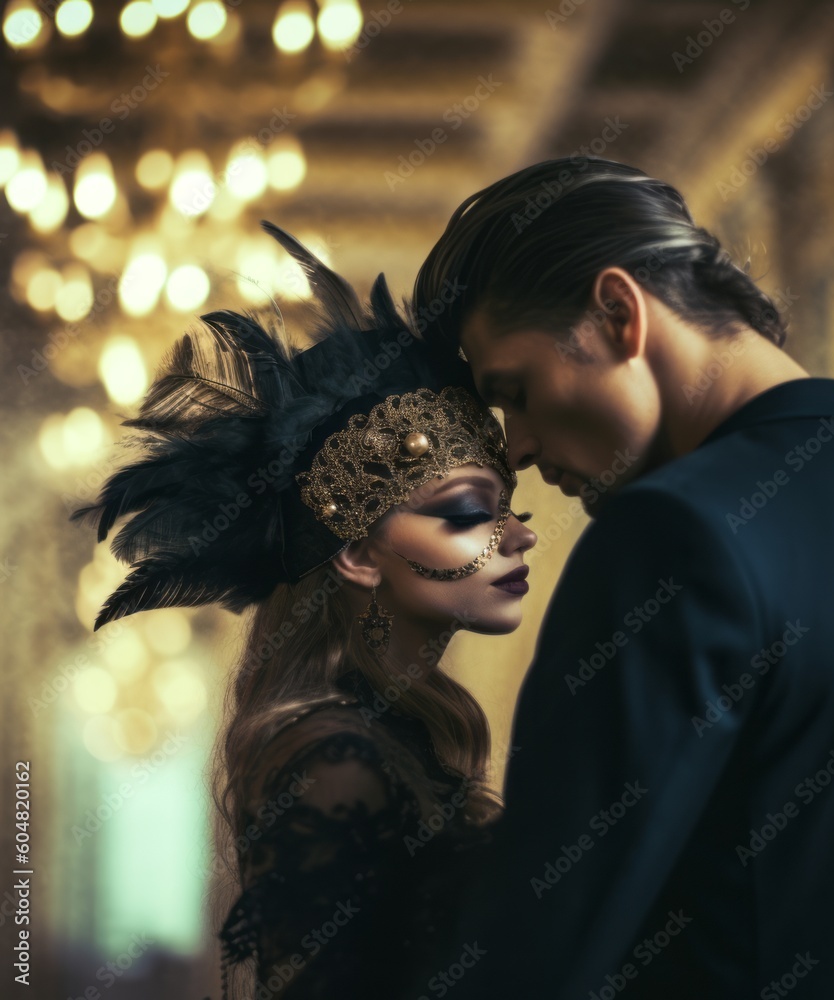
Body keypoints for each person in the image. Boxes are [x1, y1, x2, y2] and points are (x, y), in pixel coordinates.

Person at [406, 155, 834, 998]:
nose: (520, 449)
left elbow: (541, 945)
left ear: (619, 312)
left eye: (517, 392)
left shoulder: (671, 535)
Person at [70, 222, 537, 1000]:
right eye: (464, 513)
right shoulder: (336, 758)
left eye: (506, 508)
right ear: (355, 555)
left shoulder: (396, 734)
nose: (517, 533)